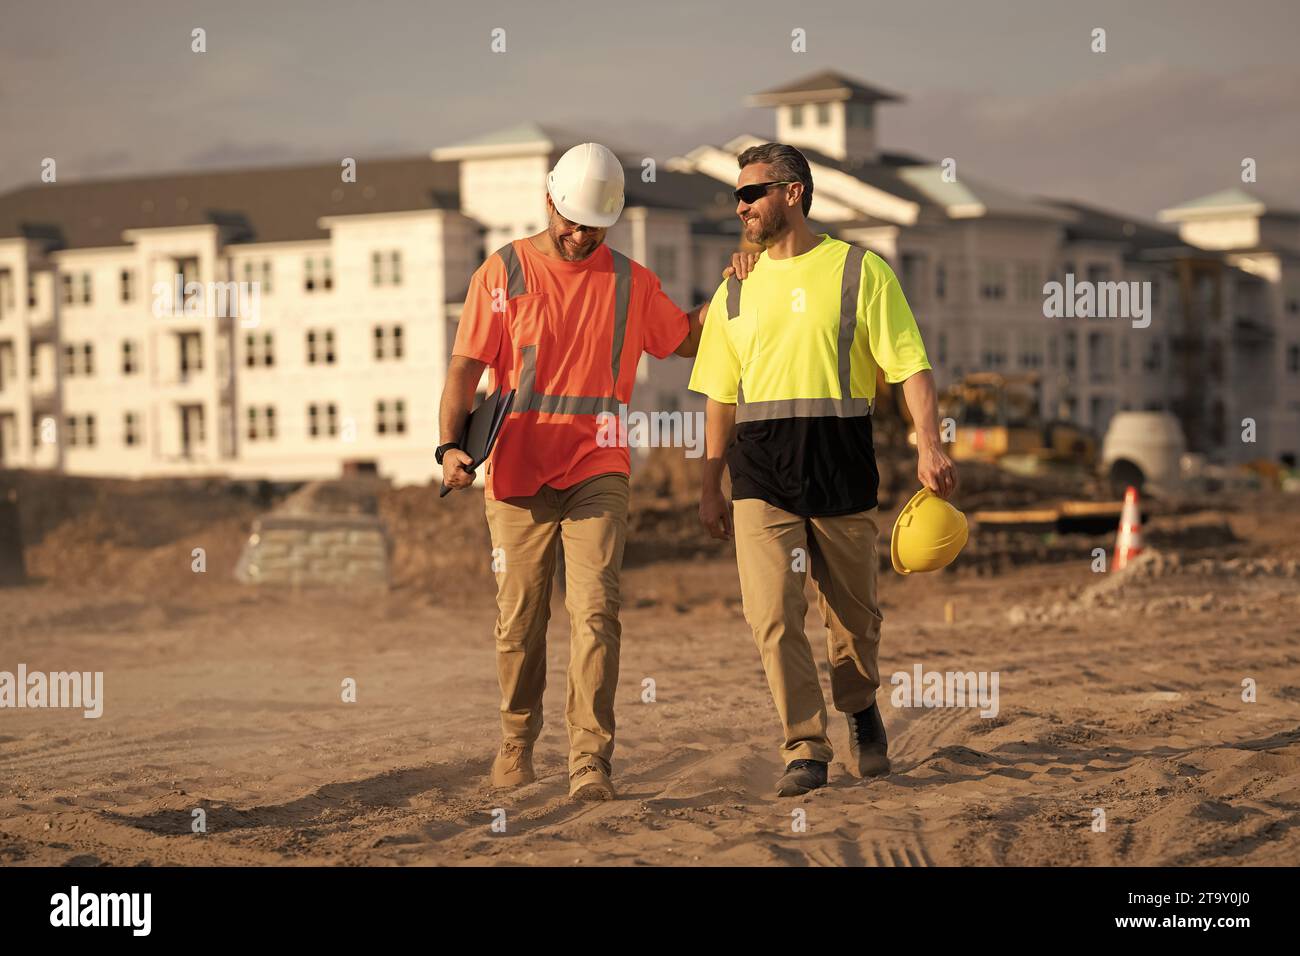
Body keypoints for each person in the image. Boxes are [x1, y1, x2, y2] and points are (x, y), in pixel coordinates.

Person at [438, 142, 706, 801]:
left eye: (595, 225)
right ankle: (516, 743)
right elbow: (464, 371)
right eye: (571, 220)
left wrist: (739, 289)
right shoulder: (501, 275)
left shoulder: (631, 283)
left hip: (599, 464)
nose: (581, 235)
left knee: (595, 612)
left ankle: (590, 760)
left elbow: (687, 339)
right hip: (519, 471)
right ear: (549, 200)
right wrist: (449, 446)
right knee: (522, 619)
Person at [689, 143, 957, 797]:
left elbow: (909, 364)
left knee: (854, 619)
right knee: (771, 614)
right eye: (737, 196)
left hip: (841, 464)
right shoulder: (733, 289)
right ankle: (804, 747)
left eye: (753, 193)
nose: (742, 206)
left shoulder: (860, 271)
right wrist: (709, 481)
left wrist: (930, 443)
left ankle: (861, 707)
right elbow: (719, 394)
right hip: (759, 472)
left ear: (794, 193)